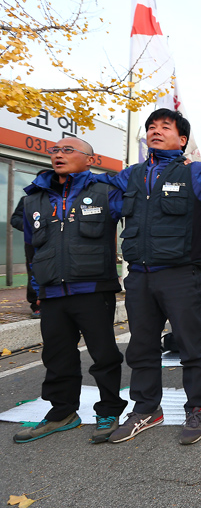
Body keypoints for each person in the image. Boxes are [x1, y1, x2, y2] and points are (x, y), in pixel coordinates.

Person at [99, 108, 201, 445]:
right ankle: (146, 409)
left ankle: (198, 408)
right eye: (151, 127)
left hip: (180, 275)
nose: (155, 131)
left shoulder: (197, 173)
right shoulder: (130, 176)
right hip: (139, 278)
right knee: (142, 348)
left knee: (192, 346)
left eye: (165, 126)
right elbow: (99, 196)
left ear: (183, 139)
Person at [13, 137, 127, 444]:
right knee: (56, 356)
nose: (58, 155)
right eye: (55, 151)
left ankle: (109, 409)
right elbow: (30, 248)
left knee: (103, 354)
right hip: (52, 293)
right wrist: (34, 289)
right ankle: (62, 412)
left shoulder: (106, 191)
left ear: (90, 159)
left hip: (92, 288)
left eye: (67, 150)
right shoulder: (33, 198)